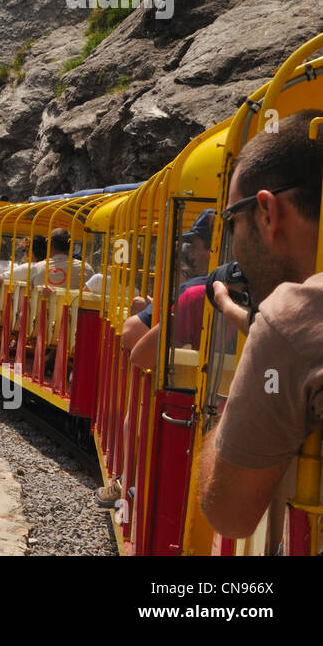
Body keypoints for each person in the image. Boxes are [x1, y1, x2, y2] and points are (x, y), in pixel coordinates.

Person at [199, 109, 323, 541]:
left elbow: (228, 513)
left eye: (233, 220)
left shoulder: (296, 314)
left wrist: (256, 354)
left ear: (268, 211)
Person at [126, 209, 214, 369]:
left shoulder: (194, 293)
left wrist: (158, 311)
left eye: (195, 248)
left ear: (213, 247)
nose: (192, 256)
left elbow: (131, 335)